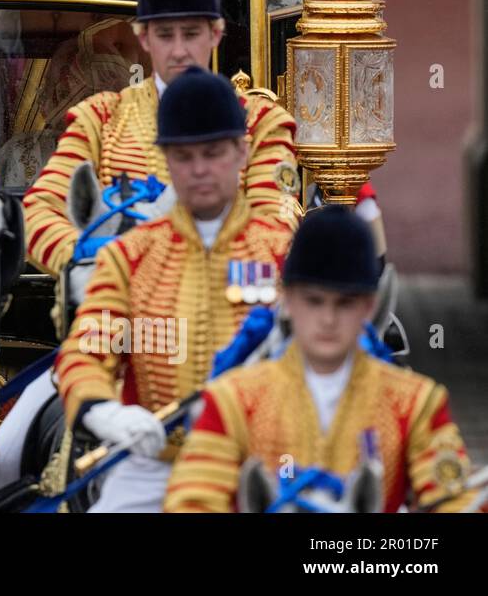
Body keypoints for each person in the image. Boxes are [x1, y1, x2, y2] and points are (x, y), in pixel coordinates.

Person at [54, 67, 295, 512]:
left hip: (261, 468)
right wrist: (105, 411)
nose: (200, 169)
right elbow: (86, 349)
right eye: (184, 156)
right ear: (165, 159)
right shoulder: (128, 257)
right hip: (157, 464)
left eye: (213, 152)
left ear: (242, 152)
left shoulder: (285, 257)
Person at [165, 206, 476, 512]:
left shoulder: (417, 402)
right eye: (314, 301)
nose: (328, 319)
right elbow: (192, 502)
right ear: (286, 300)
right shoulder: (232, 399)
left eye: (344, 303)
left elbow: (455, 503)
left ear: (368, 307)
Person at [24, 0, 298, 287]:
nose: (179, 50)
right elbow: (38, 212)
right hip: (122, 318)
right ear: (143, 37)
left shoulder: (261, 122)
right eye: (166, 34)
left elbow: (277, 226)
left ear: (215, 34)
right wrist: (94, 263)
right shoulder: (100, 118)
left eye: (191, 33)